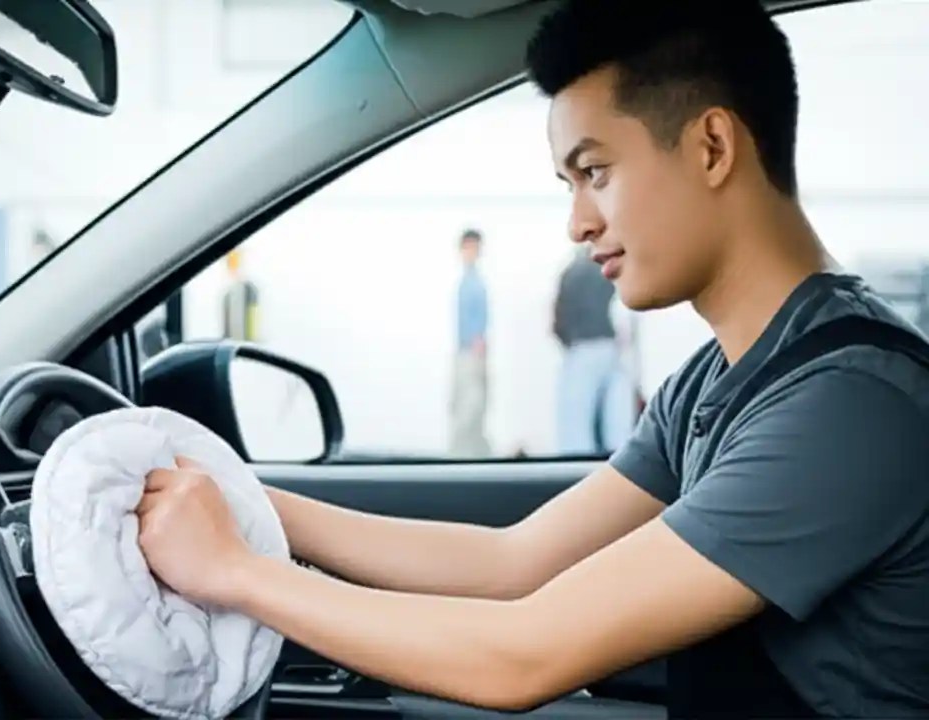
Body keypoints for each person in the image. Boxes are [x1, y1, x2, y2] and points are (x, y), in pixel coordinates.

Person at [133, 1, 929, 716]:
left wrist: (236, 573)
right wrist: (243, 500)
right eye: (568, 183)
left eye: (596, 173)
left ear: (712, 146)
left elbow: (526, 653)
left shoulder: (853, 405)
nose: (577, 224)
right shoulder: (722, 376)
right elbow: (515, 563)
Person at [552, 246, 635, 454]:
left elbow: (558, 318)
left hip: (582, 349)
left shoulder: (570, 274)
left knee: (576, 426)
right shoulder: (609, 271)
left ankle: (578, 477)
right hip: (611, 348)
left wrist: (565, 340)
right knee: (617, 422)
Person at [450, 229, 491, 457]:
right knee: (463, 403)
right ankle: (463, 452)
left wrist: (477, 347)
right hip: (465, 351)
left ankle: (469, 453)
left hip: (472, 352)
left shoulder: (475, 283)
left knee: (472, 405)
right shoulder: (467, 282)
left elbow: (479, 324)